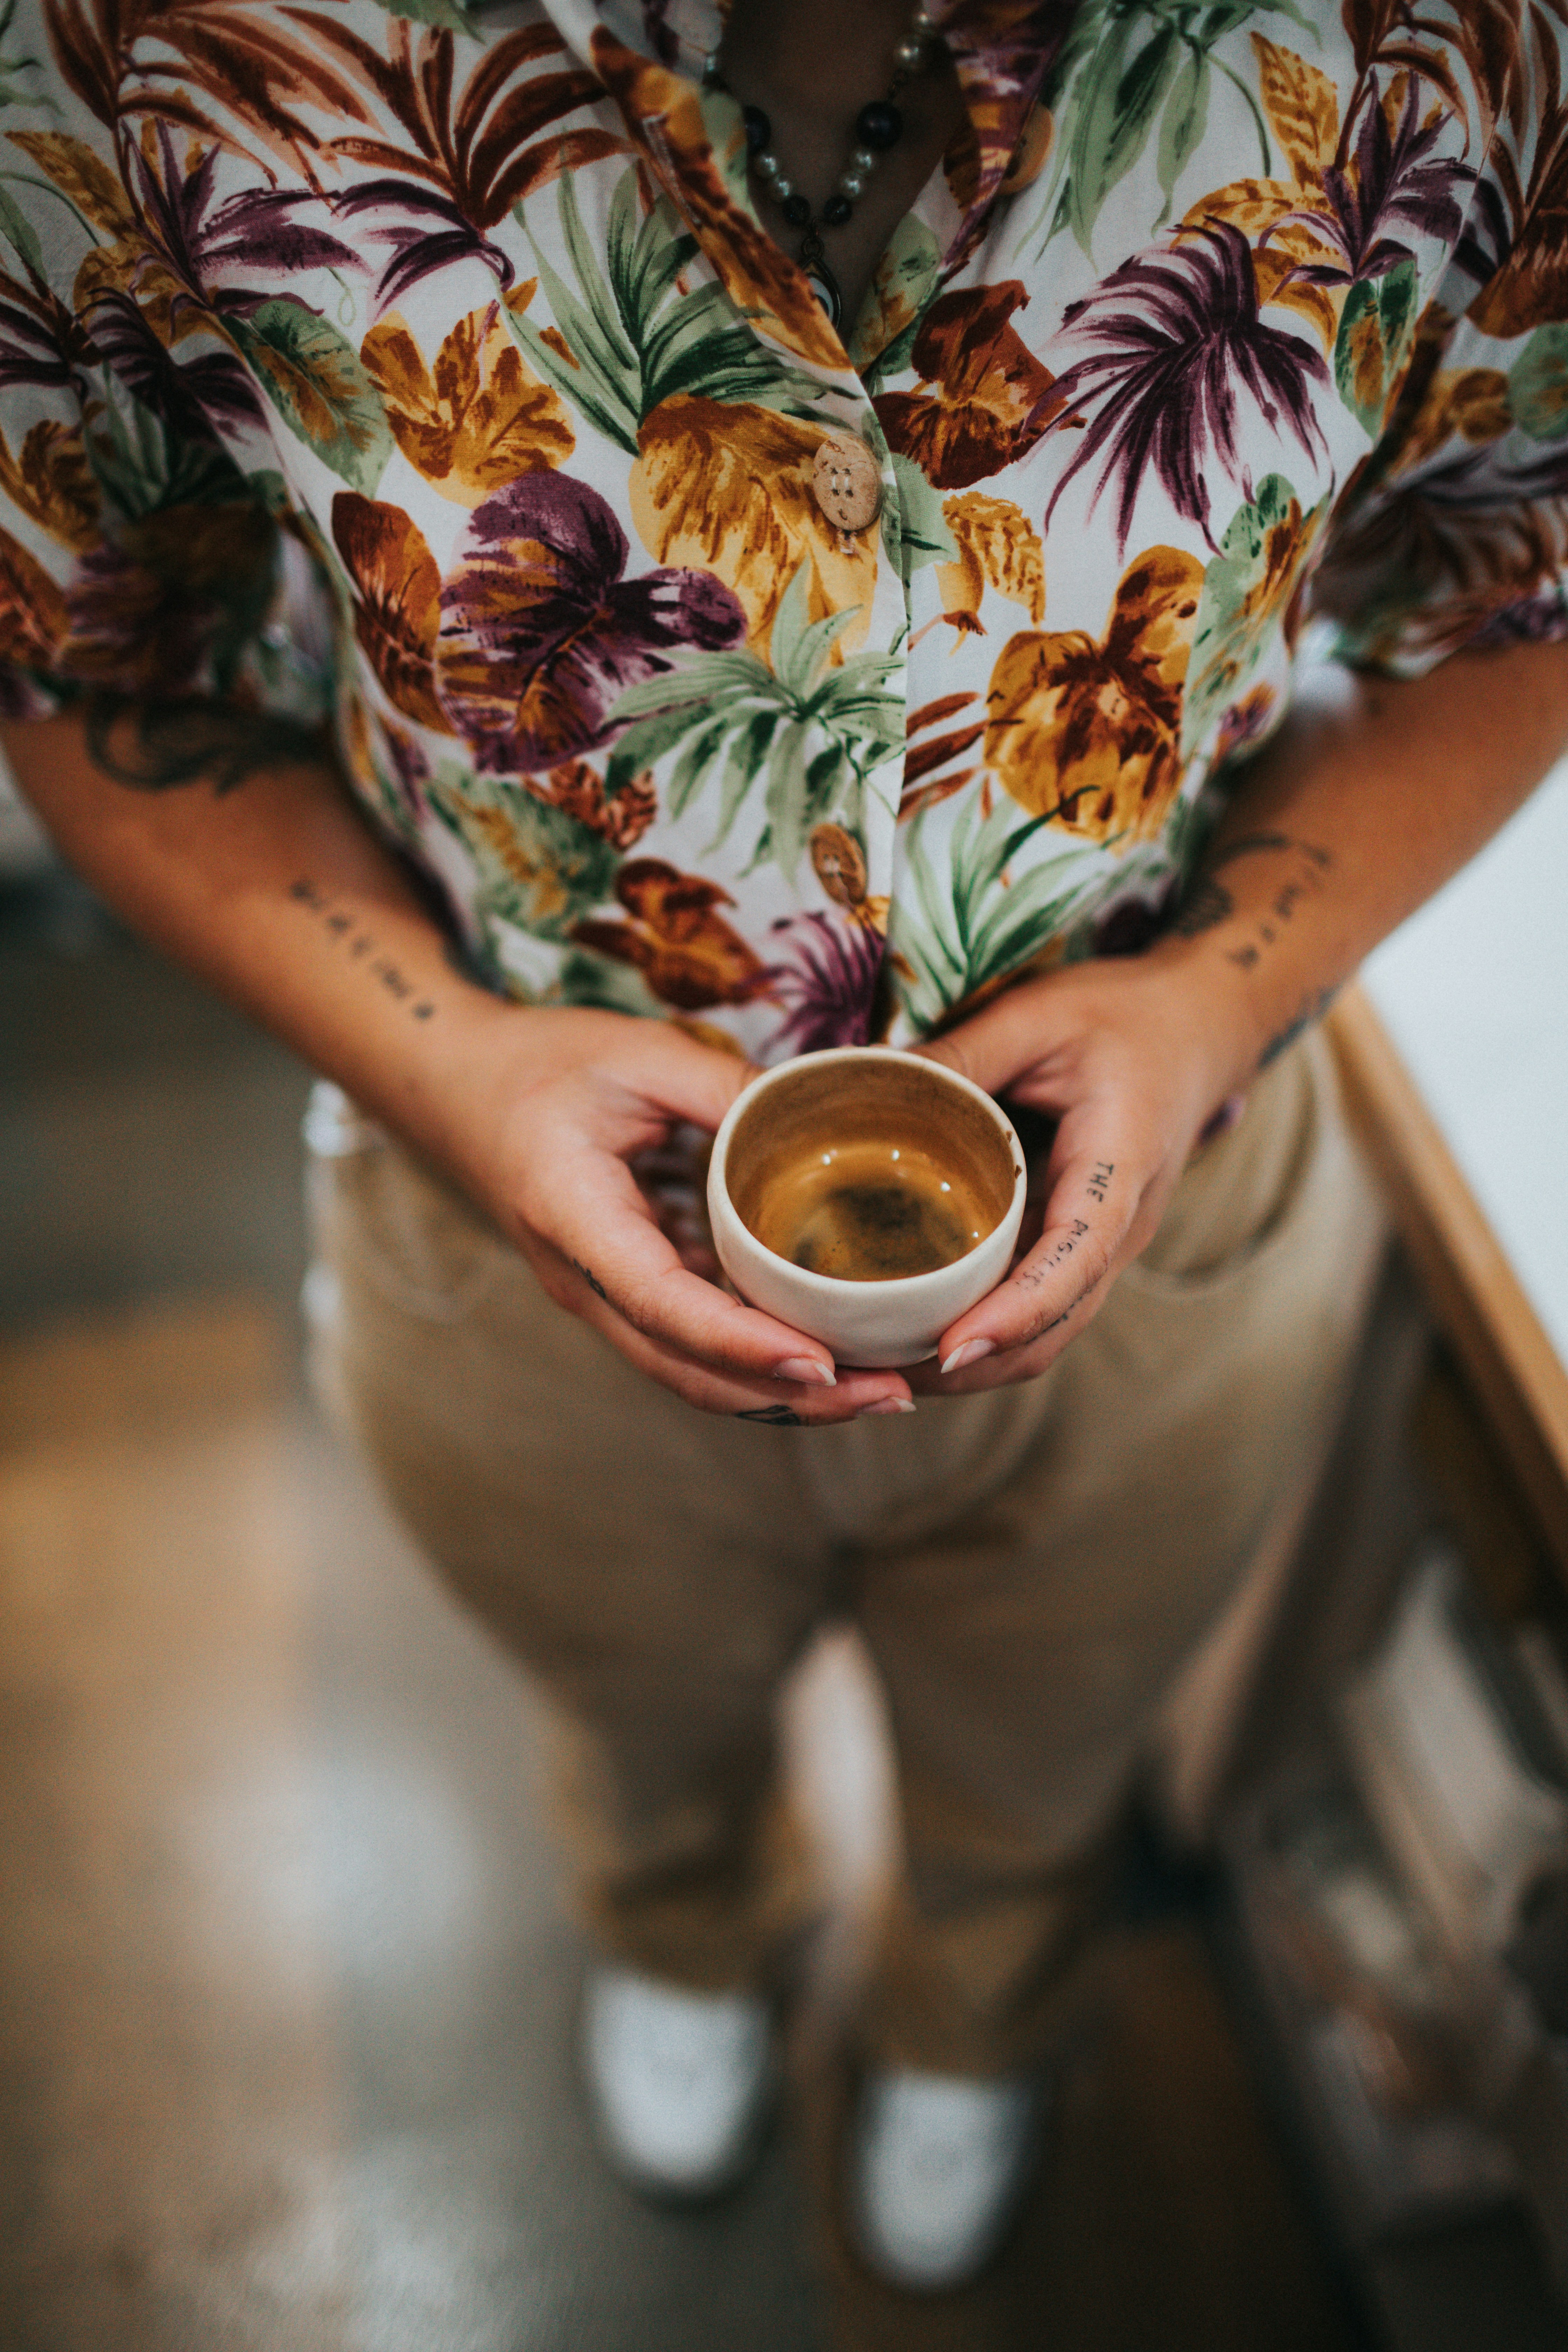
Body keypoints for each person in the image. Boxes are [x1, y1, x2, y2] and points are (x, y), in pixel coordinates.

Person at [4, 0, 1567, 2292]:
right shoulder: (161, 48)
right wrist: (456, 1072)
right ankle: (688, 1930)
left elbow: (1518, 598)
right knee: (638, 1722)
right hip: (512, 1240)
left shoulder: (1463, 43)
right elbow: (90, 666)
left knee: (1044, 1758)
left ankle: (976, 2011)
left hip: (1174, 1244)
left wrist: (1217, 989)